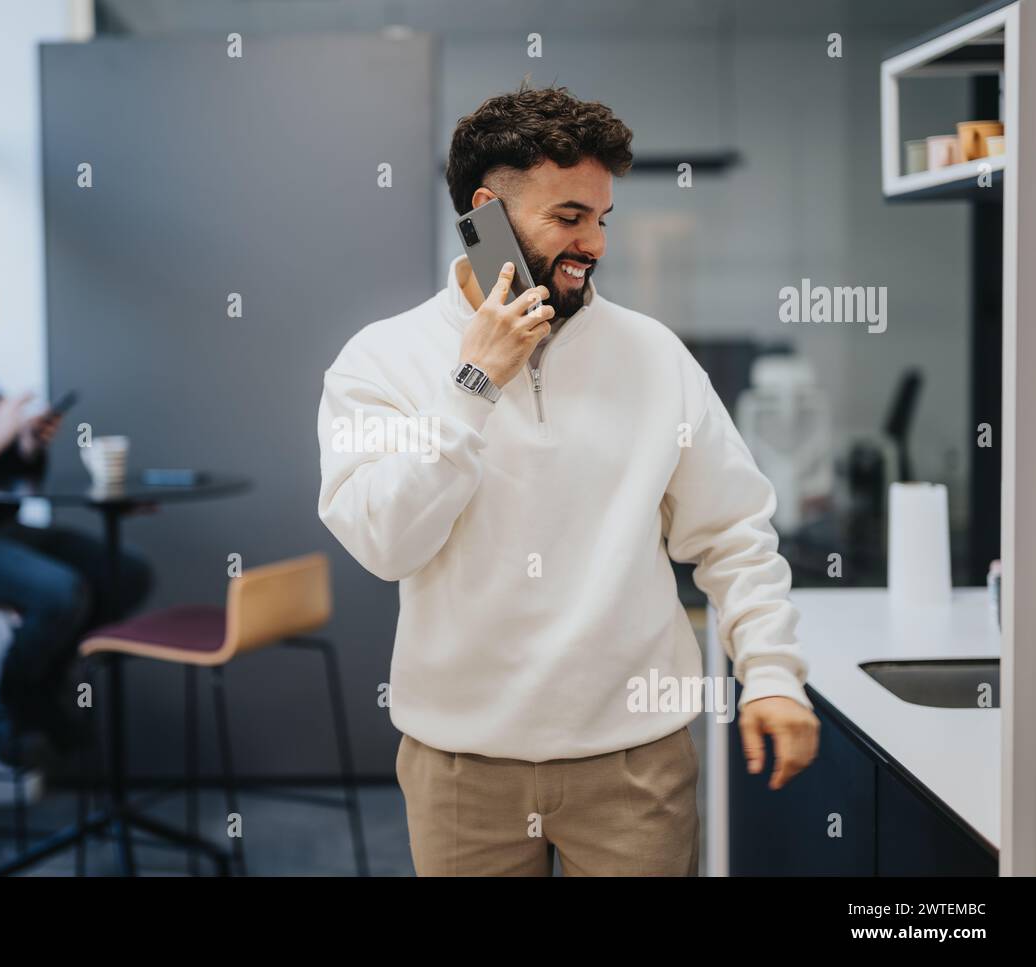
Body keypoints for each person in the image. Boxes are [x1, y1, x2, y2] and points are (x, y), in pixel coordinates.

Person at [316, 83, 820, 876]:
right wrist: (472, 386)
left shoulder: (654, 355)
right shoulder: (380, 360)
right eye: (570, 218)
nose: (596, 243)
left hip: (633, 762)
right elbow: (385, 541)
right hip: (459, 764)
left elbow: (732, 532)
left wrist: (771, 671)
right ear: (486, 213)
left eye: (602, 218)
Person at [0, 274, 153, 768]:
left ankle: (30, 694)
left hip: (2, 530)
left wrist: (28, 443)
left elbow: (13, 470)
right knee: (61, 592)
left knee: (124, 572)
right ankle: (12, 707)